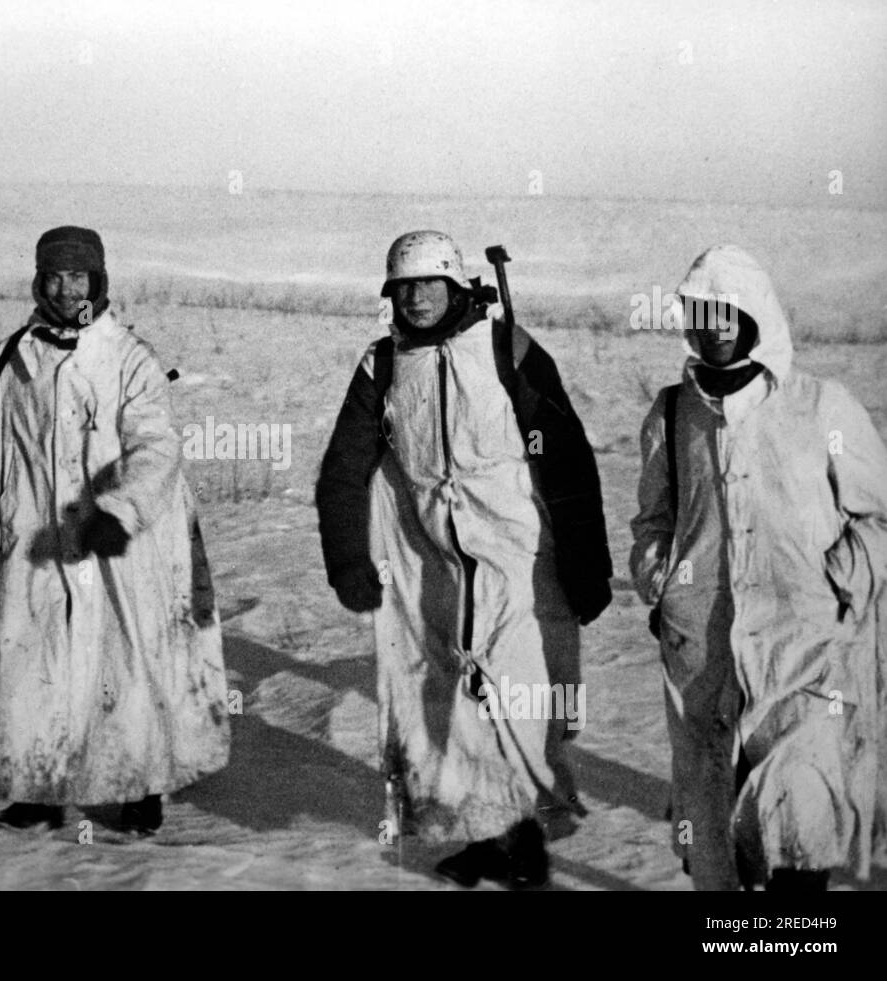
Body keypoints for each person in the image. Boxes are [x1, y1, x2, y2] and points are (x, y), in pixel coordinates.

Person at [0, 225, 230, 835]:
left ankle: (139, 788)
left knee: (126, 664)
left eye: (78, 277)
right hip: (31, 538)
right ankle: (36, 789)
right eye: (54, 276)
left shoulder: (130, 357)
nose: (65, 289)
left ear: (99, 281)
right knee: (30, 663)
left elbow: (156, 446)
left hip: (120, 545)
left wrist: (121, 513)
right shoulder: (14, 356)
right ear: (39, 280)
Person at [316, 230, 613, 887]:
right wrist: (347, 556)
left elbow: (567, 458)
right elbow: (345, 466)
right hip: (432, 565)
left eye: (429, 283)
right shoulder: (384, 366)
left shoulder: (510, 352)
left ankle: (529, 839)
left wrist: (588, 562)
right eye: (404, 286)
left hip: (520, 559)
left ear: (457, 286)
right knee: (452, 707)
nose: (417, 297)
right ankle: (484, 838)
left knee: (520, 703)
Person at [631, 244, 887, 890]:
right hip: (703, 668)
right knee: (716, 844)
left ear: (755, 316)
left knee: (800, 834)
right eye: (699, 310)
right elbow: (652, 524)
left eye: (727, 311)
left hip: (804, 658)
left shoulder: (821, 407)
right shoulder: (670, 414)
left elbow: (880, 516)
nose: (711, 325)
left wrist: (839, 578)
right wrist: (660, 582)